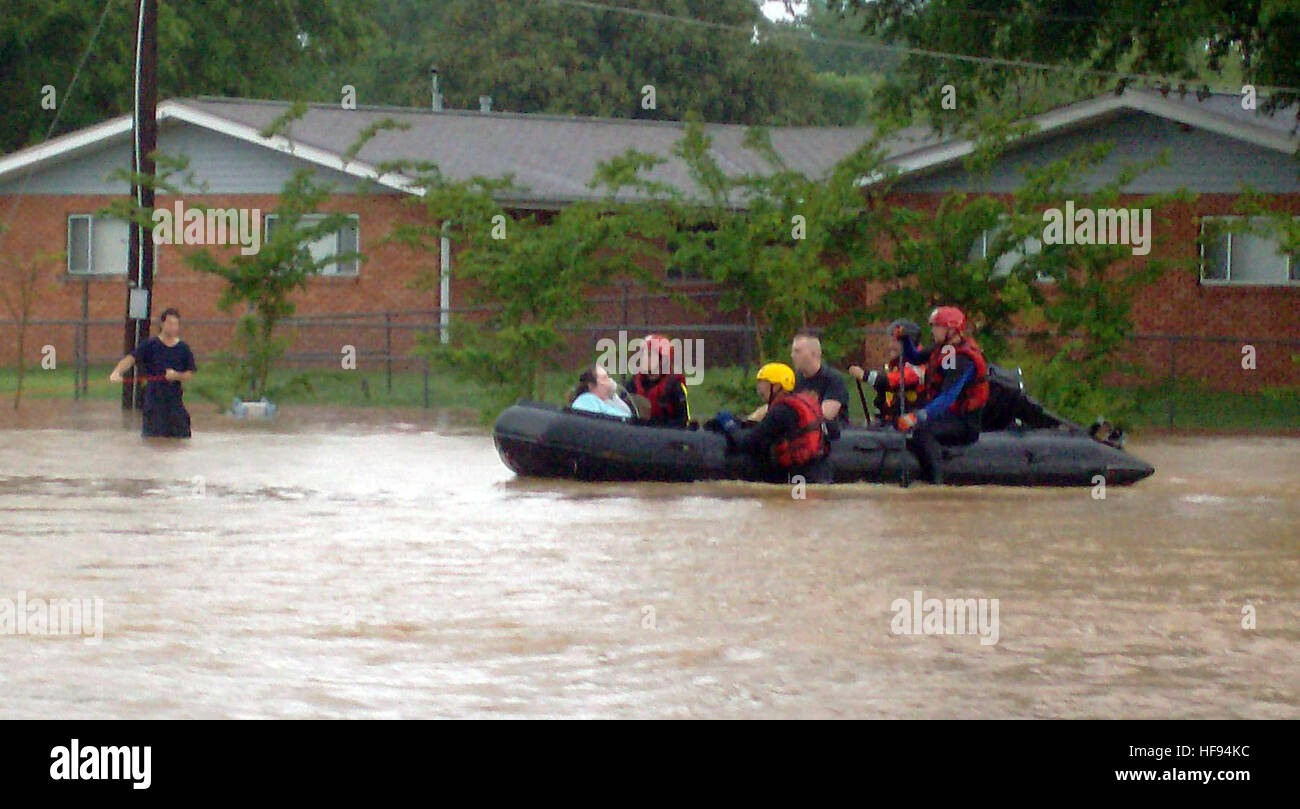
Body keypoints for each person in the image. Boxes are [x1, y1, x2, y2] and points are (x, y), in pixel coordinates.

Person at [894, 306, 989, 484]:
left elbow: (948, 397)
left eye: (937, 326)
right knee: (915, 425)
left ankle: (936, 484)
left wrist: (917, 417)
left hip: (964, 422)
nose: (933, 330)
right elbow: (914, 358)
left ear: (951, 329)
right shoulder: (946, 350)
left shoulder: (962, 359)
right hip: (947, 415)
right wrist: (905, 339)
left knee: (922, 432)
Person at [713, 362, 832, 484]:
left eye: (762, 383)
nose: (759, 388)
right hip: (822, 475)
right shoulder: (807, 405)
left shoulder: (781, 412)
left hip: (800, 479)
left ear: (776, 386)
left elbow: (746, 442)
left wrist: (729, 425)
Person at [109, 307, 197, 438]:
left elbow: (189, 374)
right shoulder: (150, 345)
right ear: (162, 324)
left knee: (182, 439)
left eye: (176, 324)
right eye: (170, 324)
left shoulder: (183, 349)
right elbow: (130, 359)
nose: (173, 327)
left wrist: (176, 375)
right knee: (152, 440)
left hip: (175, 403)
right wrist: (116, 372)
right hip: (154, 403)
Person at [848, 319, 927, 425]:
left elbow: (893, 381)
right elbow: (886, 395)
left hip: (914, 424)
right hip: (892, 422)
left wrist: (864, 375)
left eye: (895, 341)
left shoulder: (920, 364)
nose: (890, 346)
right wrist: (880, 415)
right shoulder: (894, 365)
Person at [624, 333, 690, 427]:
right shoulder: (635, 381)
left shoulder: (674, 386)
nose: (644, 358)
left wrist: (658, 423)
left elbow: (683, 422)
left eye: (649, 355)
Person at [790, 330, 850, 433]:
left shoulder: (833, 379)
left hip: (832, 439)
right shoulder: (794, 380)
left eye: (797, 351)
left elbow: (825, 415)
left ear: (813, 354)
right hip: (802, 437)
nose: (792, 355)